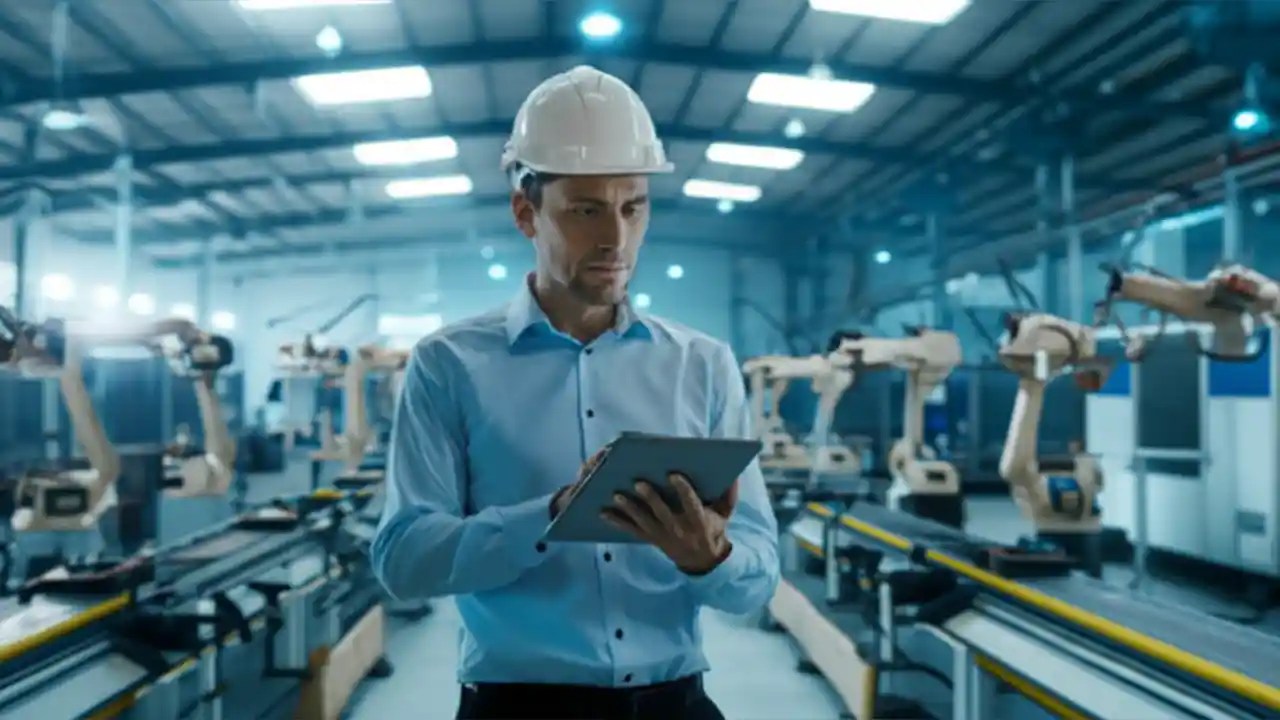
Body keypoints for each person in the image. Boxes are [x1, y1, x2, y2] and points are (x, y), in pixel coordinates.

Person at [371, 65, 780, 720]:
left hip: (675, 703)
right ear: (524, 212)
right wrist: (556, 514)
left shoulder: (703, 365)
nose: (615, 238)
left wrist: (712, 557)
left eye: (632, 208)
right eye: (586, 210)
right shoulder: (449, 366)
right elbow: (403, 562)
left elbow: (758, 578)